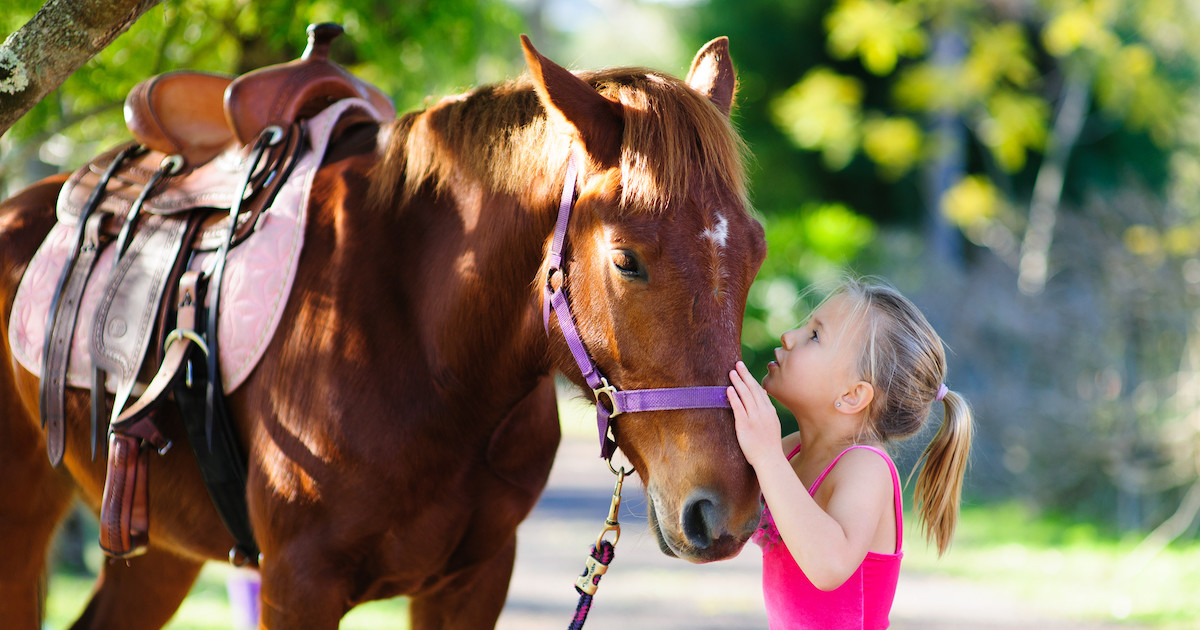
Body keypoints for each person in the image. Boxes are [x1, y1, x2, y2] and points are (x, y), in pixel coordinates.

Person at [726, 276, 973, 629]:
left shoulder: (865, 467)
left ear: (853, 396)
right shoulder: (790, 451)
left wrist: (765, 455)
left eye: (814, 336)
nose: (788, 336)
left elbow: (829, 566)